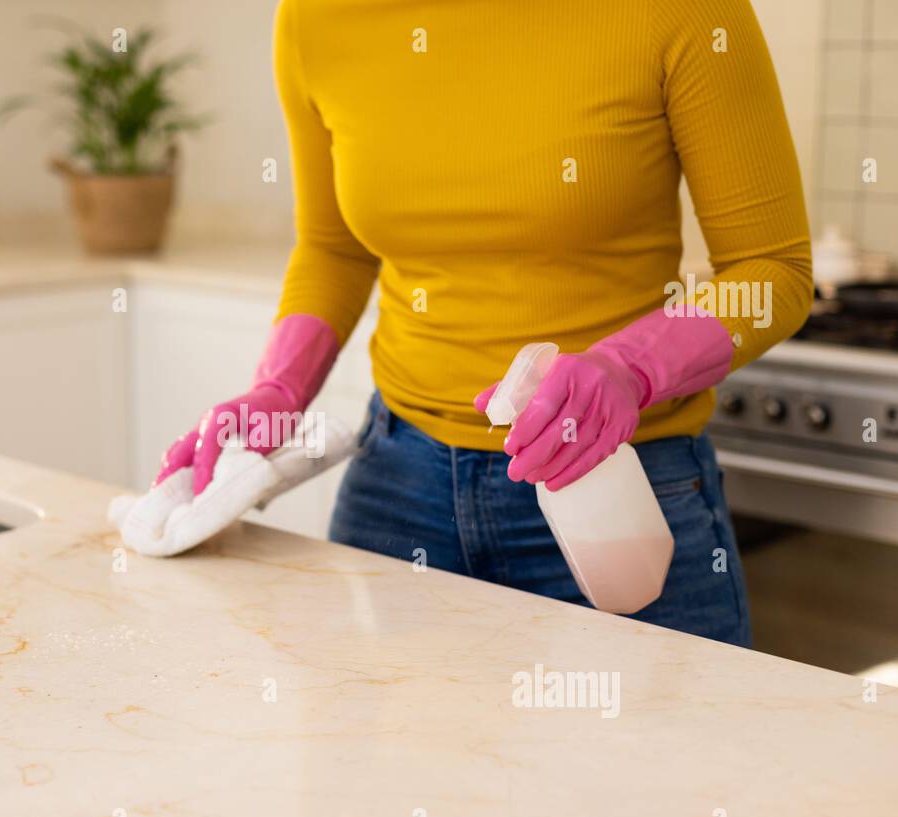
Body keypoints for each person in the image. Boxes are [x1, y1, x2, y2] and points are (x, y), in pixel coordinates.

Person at [154, 0, 813, 647]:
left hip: (617, 489)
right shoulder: (315, 17)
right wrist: (277, 392)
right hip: (398, 484)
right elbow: (336, 248)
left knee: (662, 753)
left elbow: (771, 269)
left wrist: (629, 367)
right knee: (371, 755)